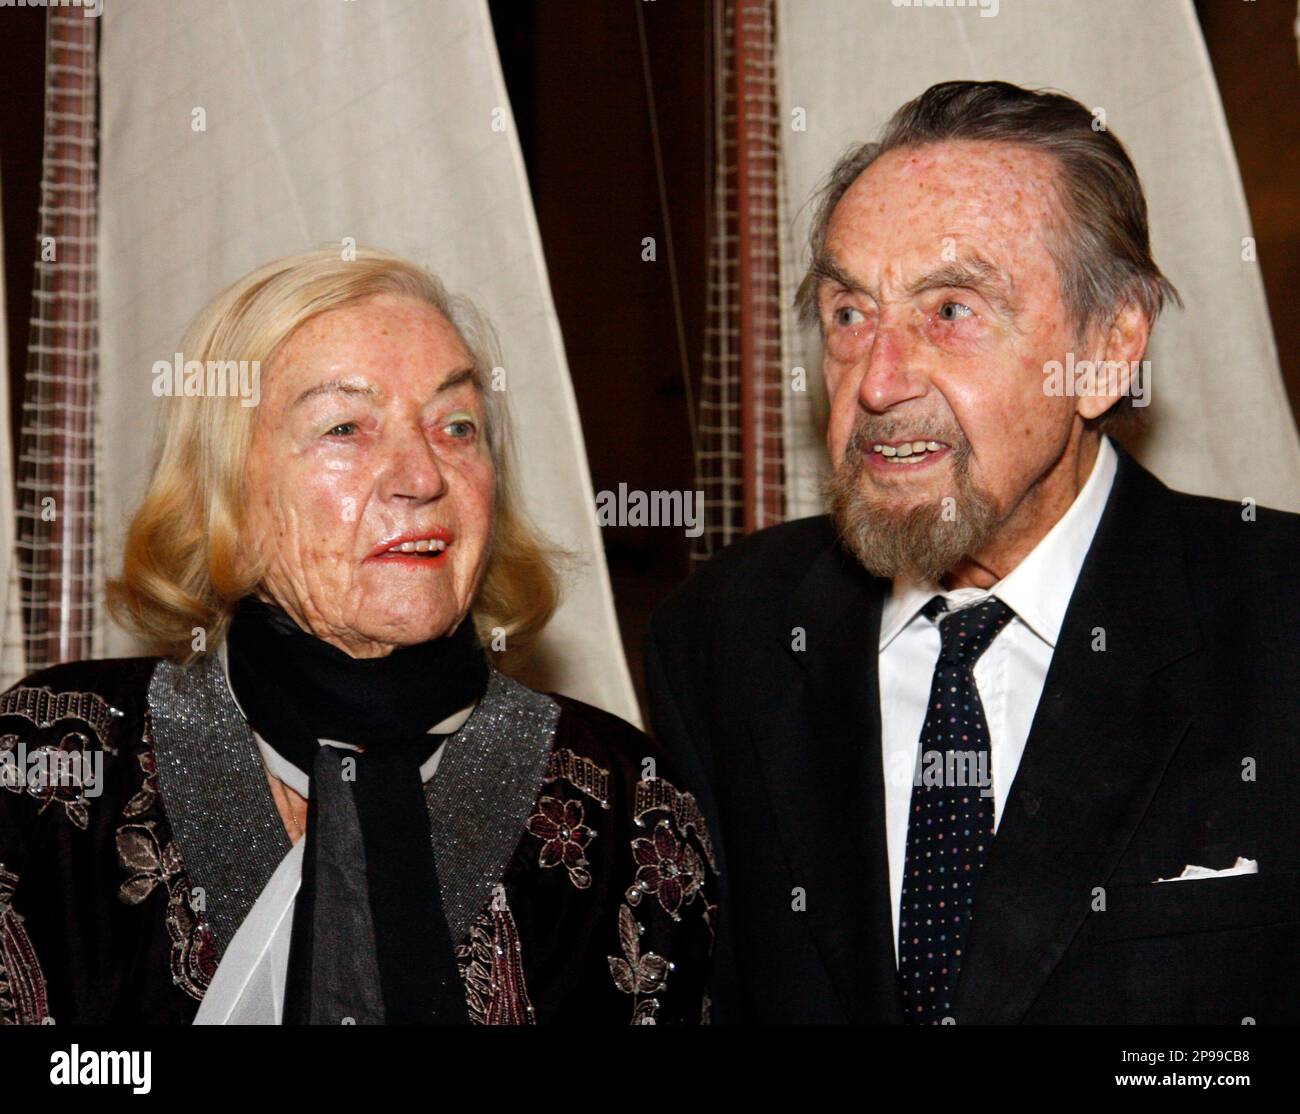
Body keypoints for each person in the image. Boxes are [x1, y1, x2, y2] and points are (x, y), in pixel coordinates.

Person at [646, 80, 1300, 1025]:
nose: (878, 382)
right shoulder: (728, 634)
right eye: (847, 313)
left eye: (950, 310)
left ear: (1110, 349)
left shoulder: (1278, 624)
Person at [0, 247, 715, 1025]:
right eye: (345, 426)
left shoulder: (628, 803)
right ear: (227, 486)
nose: (423, 475)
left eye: (456, 425)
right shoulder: (55, 760)